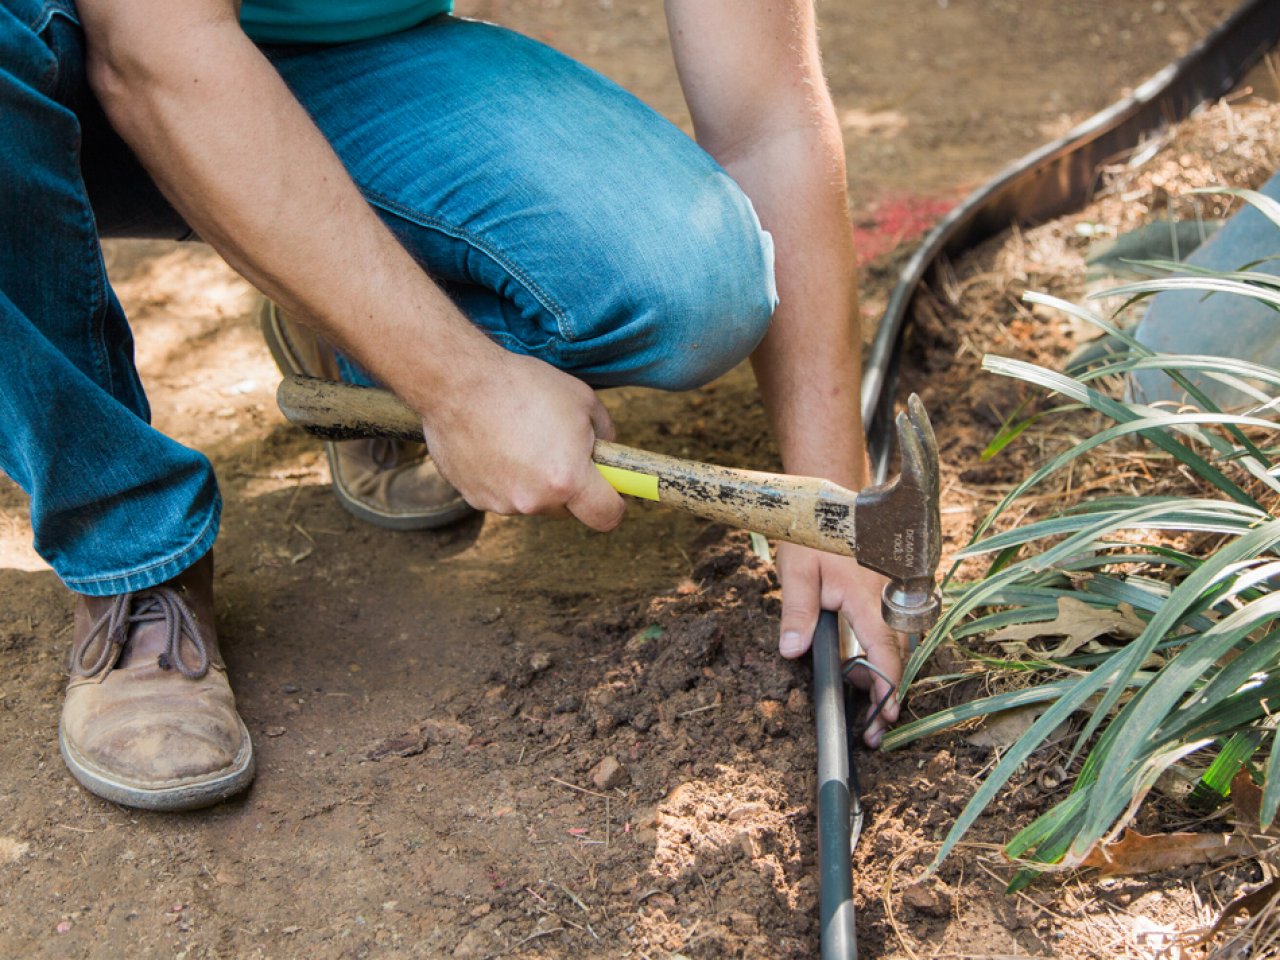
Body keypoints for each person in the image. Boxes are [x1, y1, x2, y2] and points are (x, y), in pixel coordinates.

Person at [0, 0, 904, 811]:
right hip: (68, 47)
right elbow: (149, 50)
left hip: (343, 60)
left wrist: (832, 503)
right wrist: (458, 387)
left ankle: (350, 321)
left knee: (692, 284)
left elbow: (768, 122)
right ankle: (130, 556)